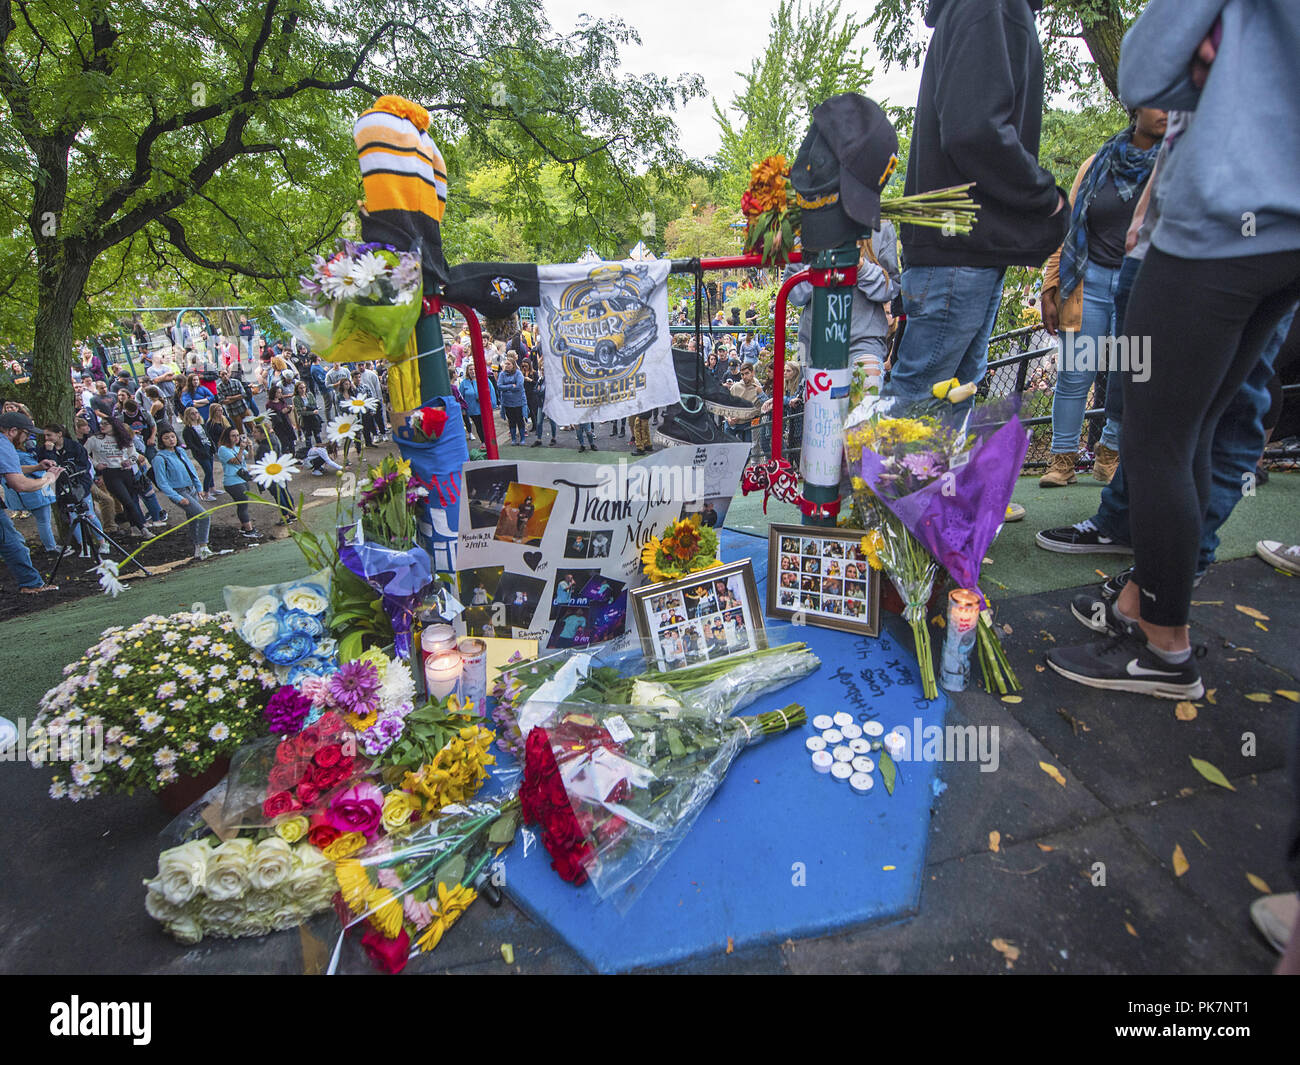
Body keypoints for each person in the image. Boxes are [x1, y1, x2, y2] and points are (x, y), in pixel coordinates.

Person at [1046, 0, 1300, 701]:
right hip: (1286, 231)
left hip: (1220, 220)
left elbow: (1146, 70)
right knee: (1197, 427)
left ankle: (1166, 650)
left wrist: (1203, 72)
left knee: (1157, 439)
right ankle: (1140, 604)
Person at [883, 0, 1067, 407]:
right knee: (921, 401)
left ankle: (928, 473)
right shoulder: (987, 6)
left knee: (950, 399)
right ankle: (887, 473)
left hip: (968, 244)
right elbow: (974, 130)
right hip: (960, 245)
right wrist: (1044, 197)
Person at [1039, 108, 1166, 487]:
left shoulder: (1173, 165)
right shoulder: (1098, 164)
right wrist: (1050, 286)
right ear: (1135, 109)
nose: (1166, 112)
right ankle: (1062, 460)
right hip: (1088, 283)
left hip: (1140, 285)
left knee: (1133, 372)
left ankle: (1109, 455)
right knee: (1076, 374)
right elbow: (1068, 227)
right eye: (1156, 103)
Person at [0, 412, 62, 592]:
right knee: (12, 543)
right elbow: (19, 484)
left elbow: (10, 469)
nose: (28, 438)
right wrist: (48, 479)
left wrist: (35, 467)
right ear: (13, 431)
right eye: (26, 433)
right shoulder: (4, 445)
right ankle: (31, 584)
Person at [84, 414, 150, 537]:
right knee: (127, 501)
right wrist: (96, 464)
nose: (102, 426)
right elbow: (83, 453)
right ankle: (143, 528)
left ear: (114, 425)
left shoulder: (123, 437)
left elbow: (134, 454)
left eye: (105, 424)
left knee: (130, 502)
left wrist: (130, 461)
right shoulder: (94, 439)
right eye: (101, 424)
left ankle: (134, 527)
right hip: (110, 473)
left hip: (126, 472)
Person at [152, 428, 213, 561]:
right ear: (161, 441)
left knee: (194, 518)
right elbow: (162, 482)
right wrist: (177, 497)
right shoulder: (160, 458)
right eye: (166, 438)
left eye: (173, 436)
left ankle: (198, 548)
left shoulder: (180, 451)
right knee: (204, 515)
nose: (171, 440)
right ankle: (203, 546)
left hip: (190, 488)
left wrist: (198, 487)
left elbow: (191, 469)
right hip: (179, 491)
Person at [216, 426, 261, 539]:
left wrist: (250, 446)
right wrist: (241, 449)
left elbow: (250, 457)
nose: (236, 438)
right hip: (232, 482)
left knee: (242, 505)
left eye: (237, 435)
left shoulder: (236, 447)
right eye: (233, 436)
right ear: (227, 437)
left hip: (242, 479)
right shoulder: (223, 449)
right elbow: (236, 461)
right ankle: (249, 530)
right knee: (243, 506)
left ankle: (244, 527)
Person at [181, 406, 219, 500]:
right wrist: (201, 451)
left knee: (211, 469)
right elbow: (190, 444)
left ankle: (212, 488)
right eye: (192, 413)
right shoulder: (187, 430)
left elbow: (208, 436)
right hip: (200, 453)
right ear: (188, 416)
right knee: (208, 471)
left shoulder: (202, 425)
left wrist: (213, 447)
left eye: (196, 412)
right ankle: (206, 493)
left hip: (208, 449)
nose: (196, 415)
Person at [496, 356, 528, 446]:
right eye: (505, 364)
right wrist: (510, 386)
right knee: (511, 421)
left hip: (518, 402)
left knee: (520, 420)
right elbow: (499, 386)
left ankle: (522, 439)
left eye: (508, 364)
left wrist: (506, 388)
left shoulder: (518, 373)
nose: (506, 365)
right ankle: (513, 439)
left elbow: (519, 386)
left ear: (513, 365)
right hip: (507, 402)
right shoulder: (502, 374)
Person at [293, 379, 323, 446]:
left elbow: (314, 405)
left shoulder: (309, 394)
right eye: (300, 388)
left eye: (304, 387)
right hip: (305, 420)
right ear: (297, 389)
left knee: (317, 436)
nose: (303, 389)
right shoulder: (296, 398)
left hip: (314, 419)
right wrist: (312, 411)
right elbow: (300, 412)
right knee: (308, 438)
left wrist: (306, 408)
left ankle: (321, 450)